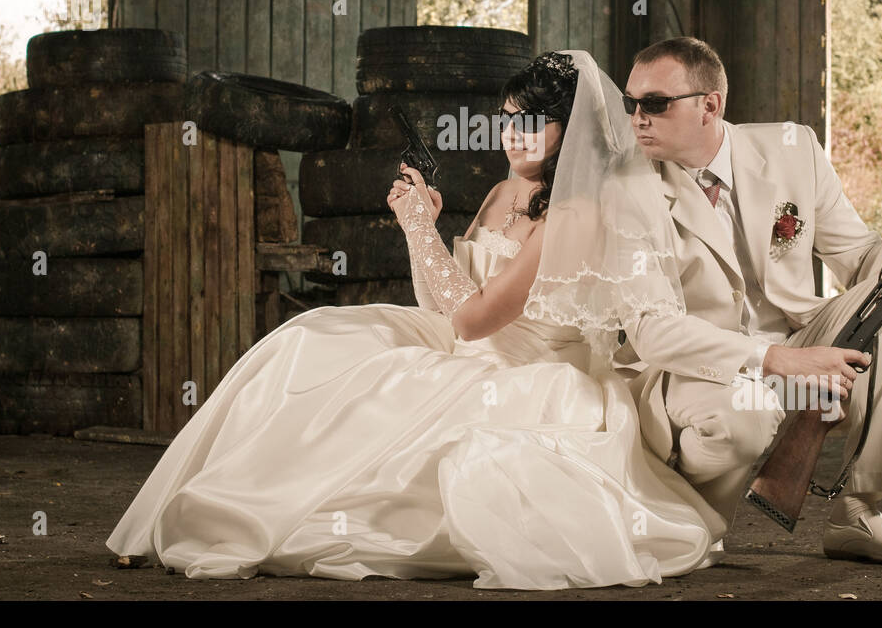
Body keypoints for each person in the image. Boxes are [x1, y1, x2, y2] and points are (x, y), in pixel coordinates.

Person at [105, 50, 723, 589]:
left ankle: (274, 513)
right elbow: (440, 301)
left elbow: (477, 319)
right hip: (465, 345)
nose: (515, 137)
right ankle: (224, 499)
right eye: (507, 122)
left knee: (389, 394)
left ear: (574, 130)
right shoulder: (506, 193)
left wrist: (419, 227)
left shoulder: (575, 215)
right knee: (309, 338)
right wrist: (418, 231)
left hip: (531, 373)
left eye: (533, 125)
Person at [616, 37, 882, 565]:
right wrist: (780, 361)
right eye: (631, 103)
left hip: (797, 336)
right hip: (698, 367)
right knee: (744, 419)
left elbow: (858, 256)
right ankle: (692, 512)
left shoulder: (793, 149)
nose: (637, 118)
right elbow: (653, 331)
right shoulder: (626, 186)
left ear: (709, 106)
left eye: (654, 103)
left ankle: (857, 508)